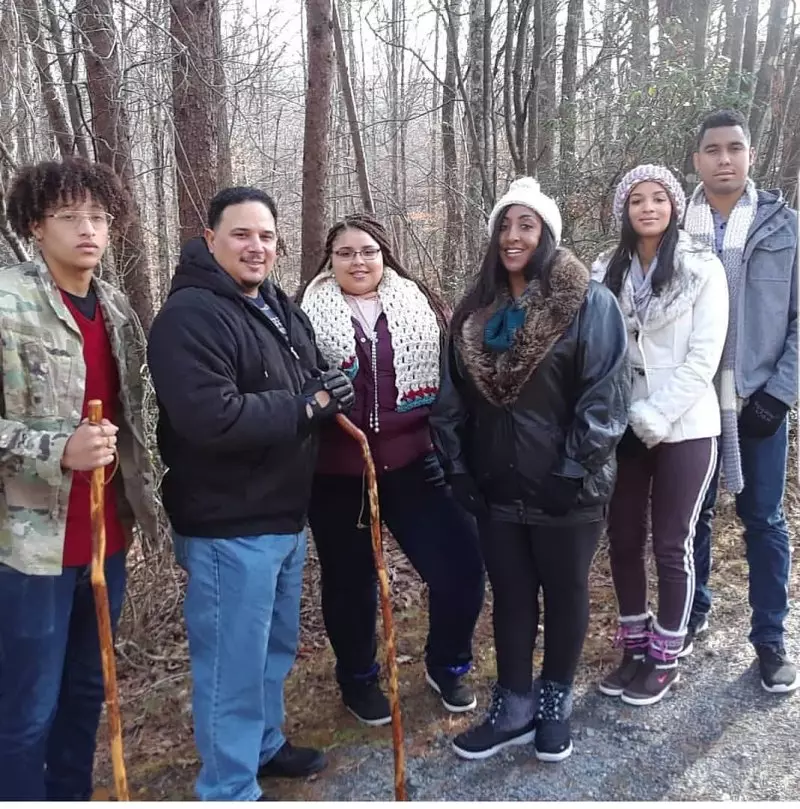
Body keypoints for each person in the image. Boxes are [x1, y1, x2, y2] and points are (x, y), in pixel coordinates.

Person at [147, 187, 354, 801]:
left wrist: (329, 385)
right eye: (241, 234)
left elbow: (310, 371)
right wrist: (309, 404)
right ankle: (229, 787)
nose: (256, 247)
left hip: (283, 516)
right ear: (210, 240)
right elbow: (213, 419)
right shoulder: (189, 316)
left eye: (266, 236)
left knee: (272, 649)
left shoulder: (273, 304)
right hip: (227, 525)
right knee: (231, 667)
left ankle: (262, 747)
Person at [430, 178, 630, 763]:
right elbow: (451, 401)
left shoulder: (589, 304)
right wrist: (459, 468)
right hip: (496, 489)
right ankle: (514, 702)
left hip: (567, 487)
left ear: (546, 236)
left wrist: (573, 469)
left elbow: (606, 395)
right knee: (512, 596)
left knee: (565, 594)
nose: (512, 237)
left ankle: (554, 702)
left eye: (527, 226)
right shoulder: (474, 312)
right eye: (504, 226)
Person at [0, 158, 158, 800]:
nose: (88, 230)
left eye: (98, 217)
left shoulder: (115, 308)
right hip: (27, 547)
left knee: (89, 688)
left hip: (104, 537)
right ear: (37, 226)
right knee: (26, 706)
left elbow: (134, 417)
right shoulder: (7, 303)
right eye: (70, 218)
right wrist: (54, 448)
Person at [296, 213, 485, 726]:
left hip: (414, 462)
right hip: (339, 473)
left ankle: (447, 665)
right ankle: (357, 680)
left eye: (368, 251)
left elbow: (457, 383)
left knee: (462, 569)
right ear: (328, 261)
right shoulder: (303, 315)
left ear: (385, 254)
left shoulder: (424, 307)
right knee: (349, 584)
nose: (358, 261)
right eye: (345, 253)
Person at [592, 165, 728, 706]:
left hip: (687, 424)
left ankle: (666, 654)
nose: (647, 208)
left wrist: (658, 414)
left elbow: (704, 358)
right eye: (636, 201)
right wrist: (620, 414)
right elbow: (602, 350)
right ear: (624, 211)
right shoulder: (609, 271)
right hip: (623, 424)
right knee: (623, 537)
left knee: (671, 542)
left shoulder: (702, 268)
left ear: (673, 205)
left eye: (658, 199)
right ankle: (634, 645)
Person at [683, 110, 799, 693]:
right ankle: (692, 611)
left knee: (763, 520)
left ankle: (770, 640)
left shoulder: (785, 228)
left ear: (750, 155)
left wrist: (779, 394)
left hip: (758, 400)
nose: (724, 159)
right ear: (696, 159)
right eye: (712, 149)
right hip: (692, 401)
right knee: (691, 516)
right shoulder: (674, 226)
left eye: (734, 147)